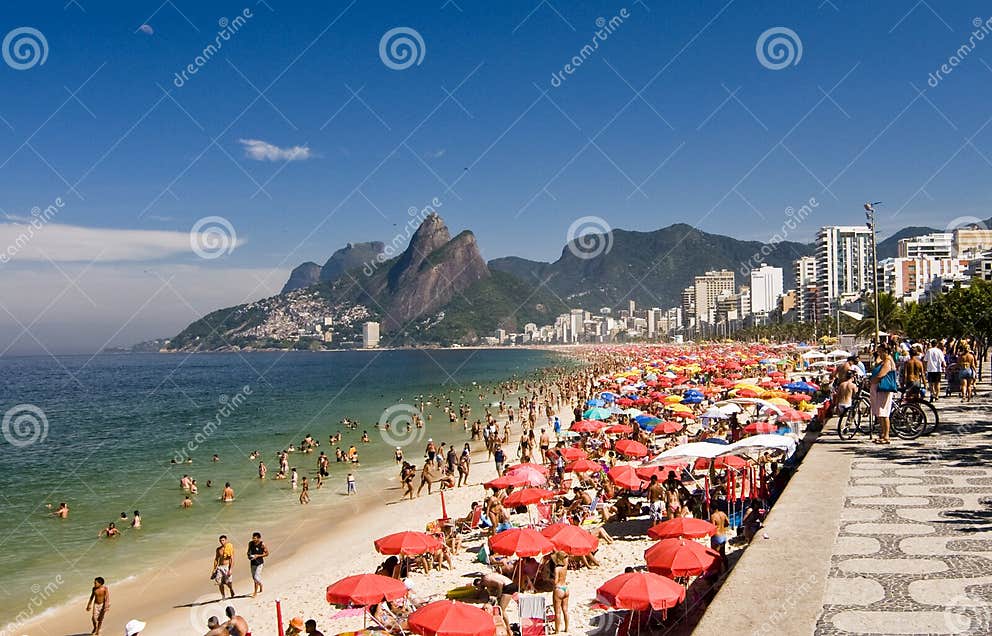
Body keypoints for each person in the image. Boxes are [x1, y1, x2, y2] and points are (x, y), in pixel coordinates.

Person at [869, 343, 896, 444]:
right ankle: (883, 434)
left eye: (880, 352)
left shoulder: (888, 361)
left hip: (883, 389)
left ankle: (886, 436)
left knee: (884, 413)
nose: (879, 354)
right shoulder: (883, 361)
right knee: (880, 413)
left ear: (886, 352)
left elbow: (881, 375)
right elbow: (876, 365)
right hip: (878, 390)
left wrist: (871, 381)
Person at [551, 551, 570, 633]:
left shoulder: (557, 569)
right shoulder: (565, 567)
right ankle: (566, 628)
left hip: (559, 589)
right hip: (565, 588)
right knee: (565, 610)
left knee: (557, 612)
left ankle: (557, 631)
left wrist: (551, 581)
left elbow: (556, 581)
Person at [247, 532, 268, 597]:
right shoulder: (250, 543)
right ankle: (260, 585)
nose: (253, 539)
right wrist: (249, 556)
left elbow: (267, 553)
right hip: (253, 563)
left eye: (255, 538)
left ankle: (255, 592)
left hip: (260, 563)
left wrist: (258, 556)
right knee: (254, 578)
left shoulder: (262, 544)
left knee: (256, 578)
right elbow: (248, 552)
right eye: (253, 538)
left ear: (259, 538)